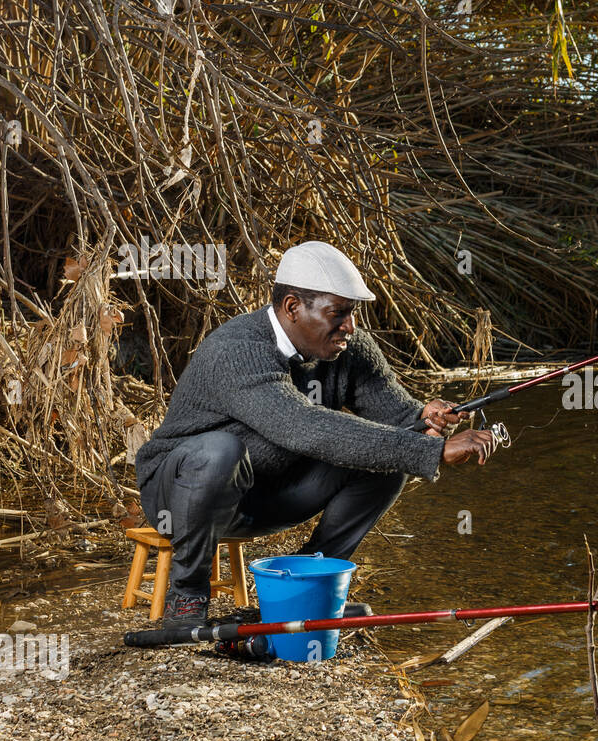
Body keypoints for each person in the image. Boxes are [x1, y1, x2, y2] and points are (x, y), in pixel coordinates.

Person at [134, 240, 498, 626]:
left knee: (388, 461)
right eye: (337, 313)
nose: (351, 326)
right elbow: (303, 427)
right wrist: (433, 451)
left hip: (266, 494)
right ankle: (187, 599)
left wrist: (425, 415)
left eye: (353, 313)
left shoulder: (350, 347)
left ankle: (305, 586)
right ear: (293, 307)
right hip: (180, 498)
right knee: (219, 450)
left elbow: (395, 417)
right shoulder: (237, 349)